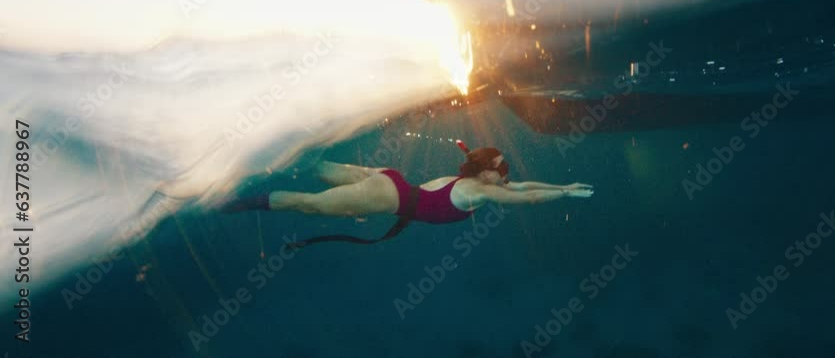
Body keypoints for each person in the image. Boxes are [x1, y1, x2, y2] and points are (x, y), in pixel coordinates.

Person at [222, 143, 593, 247]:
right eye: (503, 169)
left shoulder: (475, 182)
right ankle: (236, 202)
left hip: (389, 181)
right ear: (485, 173)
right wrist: (562, 197)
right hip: (385, 198)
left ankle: (267, 150)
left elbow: (524, 189)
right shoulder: (478, 192)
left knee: (315, 168)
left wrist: (563, 187)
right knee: (309, 204)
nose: (507, 175)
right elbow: (523, 199)